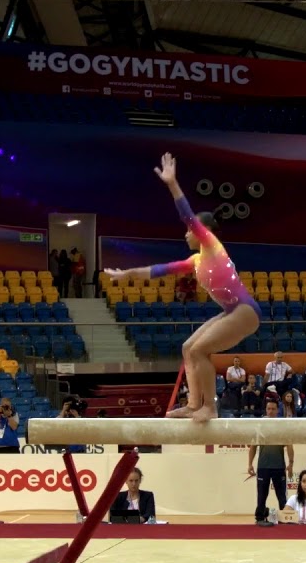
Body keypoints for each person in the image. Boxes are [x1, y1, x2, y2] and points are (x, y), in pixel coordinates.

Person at [105, 153, 260, 424]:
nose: (186, 233)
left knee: (200, 351)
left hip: (245, 311)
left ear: (204, 230)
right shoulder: (196, 260)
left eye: (191, 230)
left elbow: (187, 217)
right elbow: (159, 270)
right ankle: (193, 404)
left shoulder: (211, 245)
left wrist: (172, 183)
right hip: (232, 311)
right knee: (189, 348)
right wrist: (126, 273)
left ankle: (209, 407)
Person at [248, 400, 293, 524]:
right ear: (266, 410)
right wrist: (250, 464)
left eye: (273, 409)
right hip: (263, 467)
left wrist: (291, 463)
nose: (271, 411)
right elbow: (253, 447)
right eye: (269, 409)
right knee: (262, 495)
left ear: (277, 410)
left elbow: (289, 445)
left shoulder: (282, 427)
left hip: (279, 467)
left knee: (282, 496)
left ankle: (285, 518)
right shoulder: (260, 427)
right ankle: (259, 518)